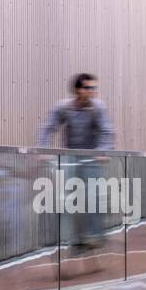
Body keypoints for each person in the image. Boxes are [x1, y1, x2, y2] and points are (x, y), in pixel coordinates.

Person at [36, 73, 115, 252]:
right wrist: (43, 150)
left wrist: (103, 152)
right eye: (88, 88)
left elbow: (107, 131)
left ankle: (94, 236)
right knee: (67, 198)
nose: (93, 92)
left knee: (91, 196)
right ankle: (71, 239)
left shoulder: (97, 108)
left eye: (94, 88)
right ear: (77, 90)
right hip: (70, 157)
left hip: (92, 158)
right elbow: (48, 128)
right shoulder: (63, 108)